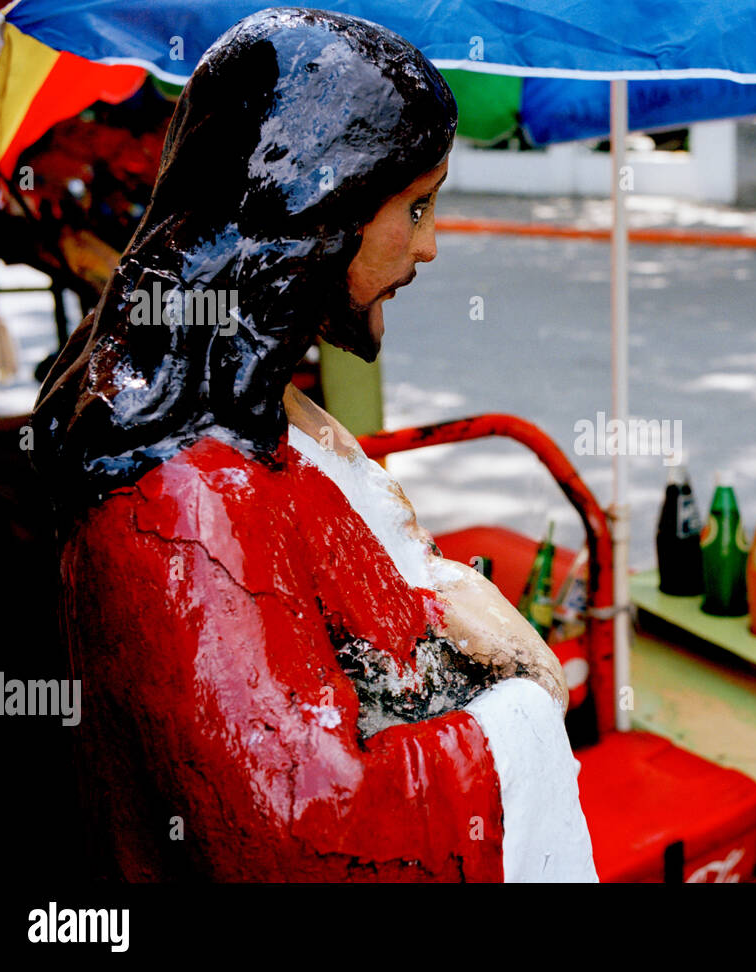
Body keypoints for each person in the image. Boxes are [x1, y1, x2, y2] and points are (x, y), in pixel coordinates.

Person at [32, 8, 597, 882]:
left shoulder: (262, 428)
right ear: (318, 212)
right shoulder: (187, 498)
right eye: (414, 205)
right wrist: (522, 711)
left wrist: (445, 598)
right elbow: (297, 826)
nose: (430, 244)